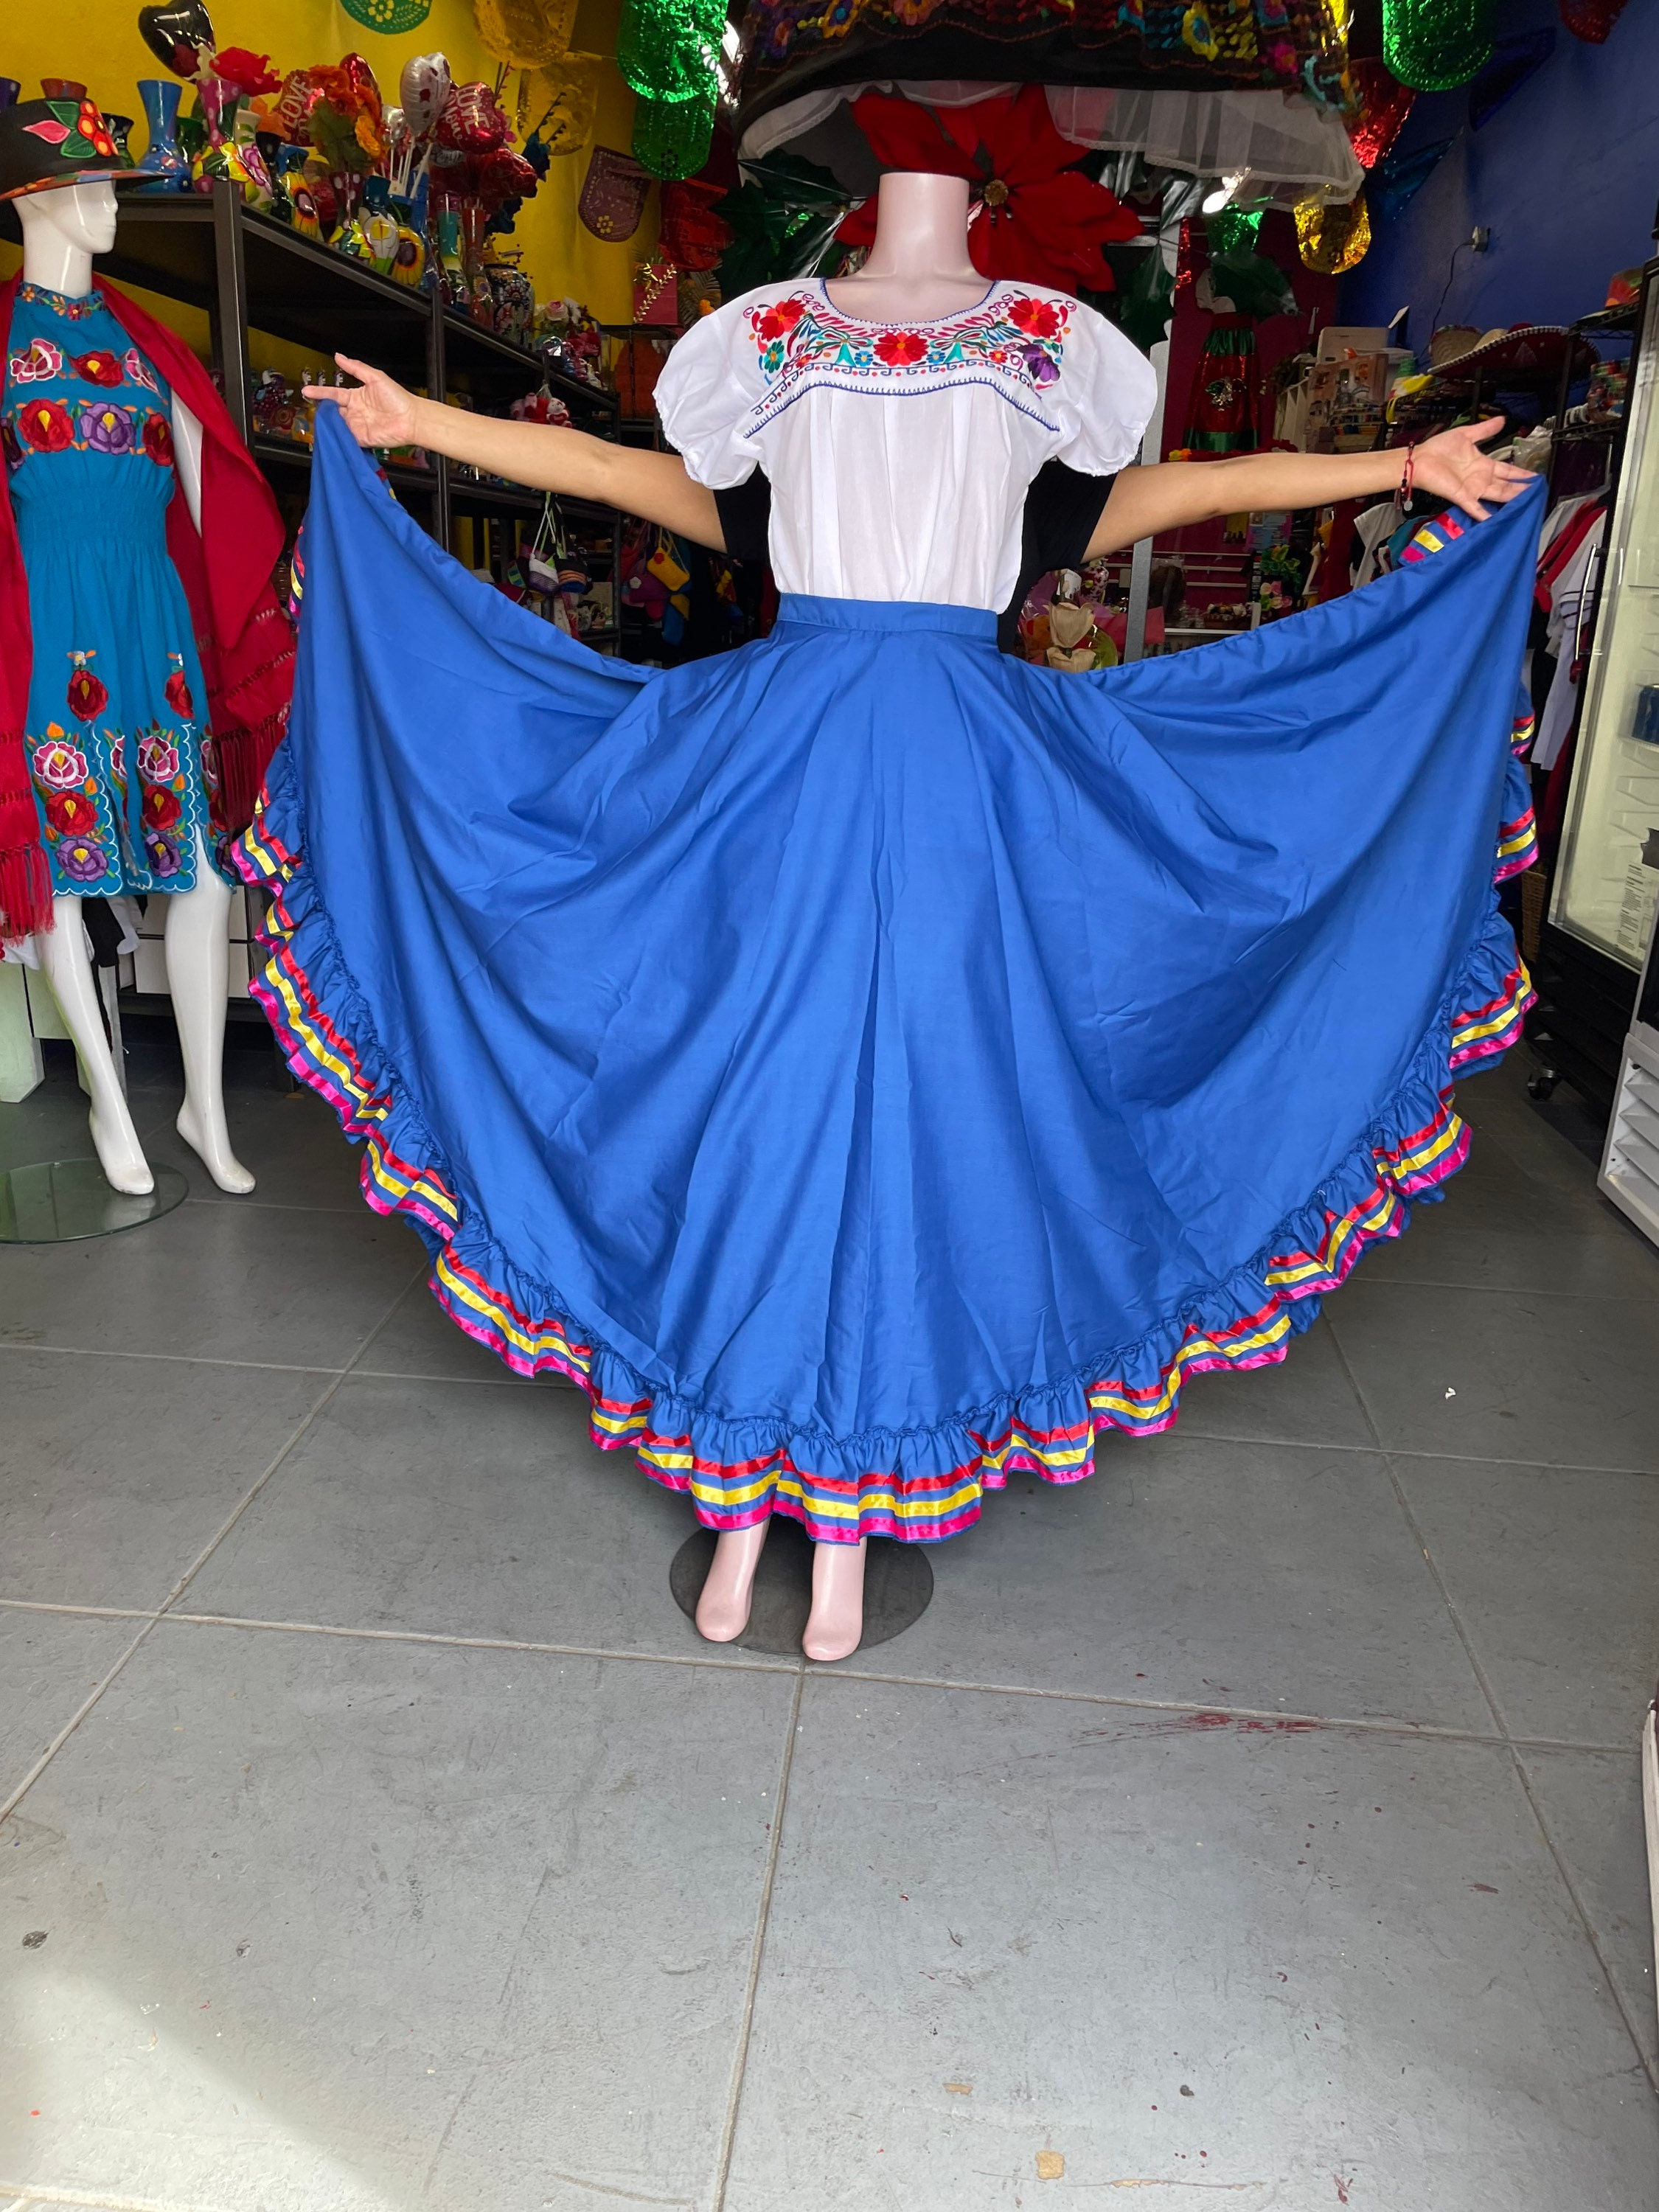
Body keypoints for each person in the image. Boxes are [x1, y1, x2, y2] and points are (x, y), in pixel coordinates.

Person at [254, 174, 1540, 1665]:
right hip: (788, 784)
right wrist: (425, 427)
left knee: (920, 1116)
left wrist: (1399, 464)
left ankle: (850, 1517)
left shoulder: (1043, 350)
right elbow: (617, 478)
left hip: (954, 795)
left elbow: (1185, 492)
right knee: (770, 1105)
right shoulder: (775, 346)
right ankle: (747, 1505)